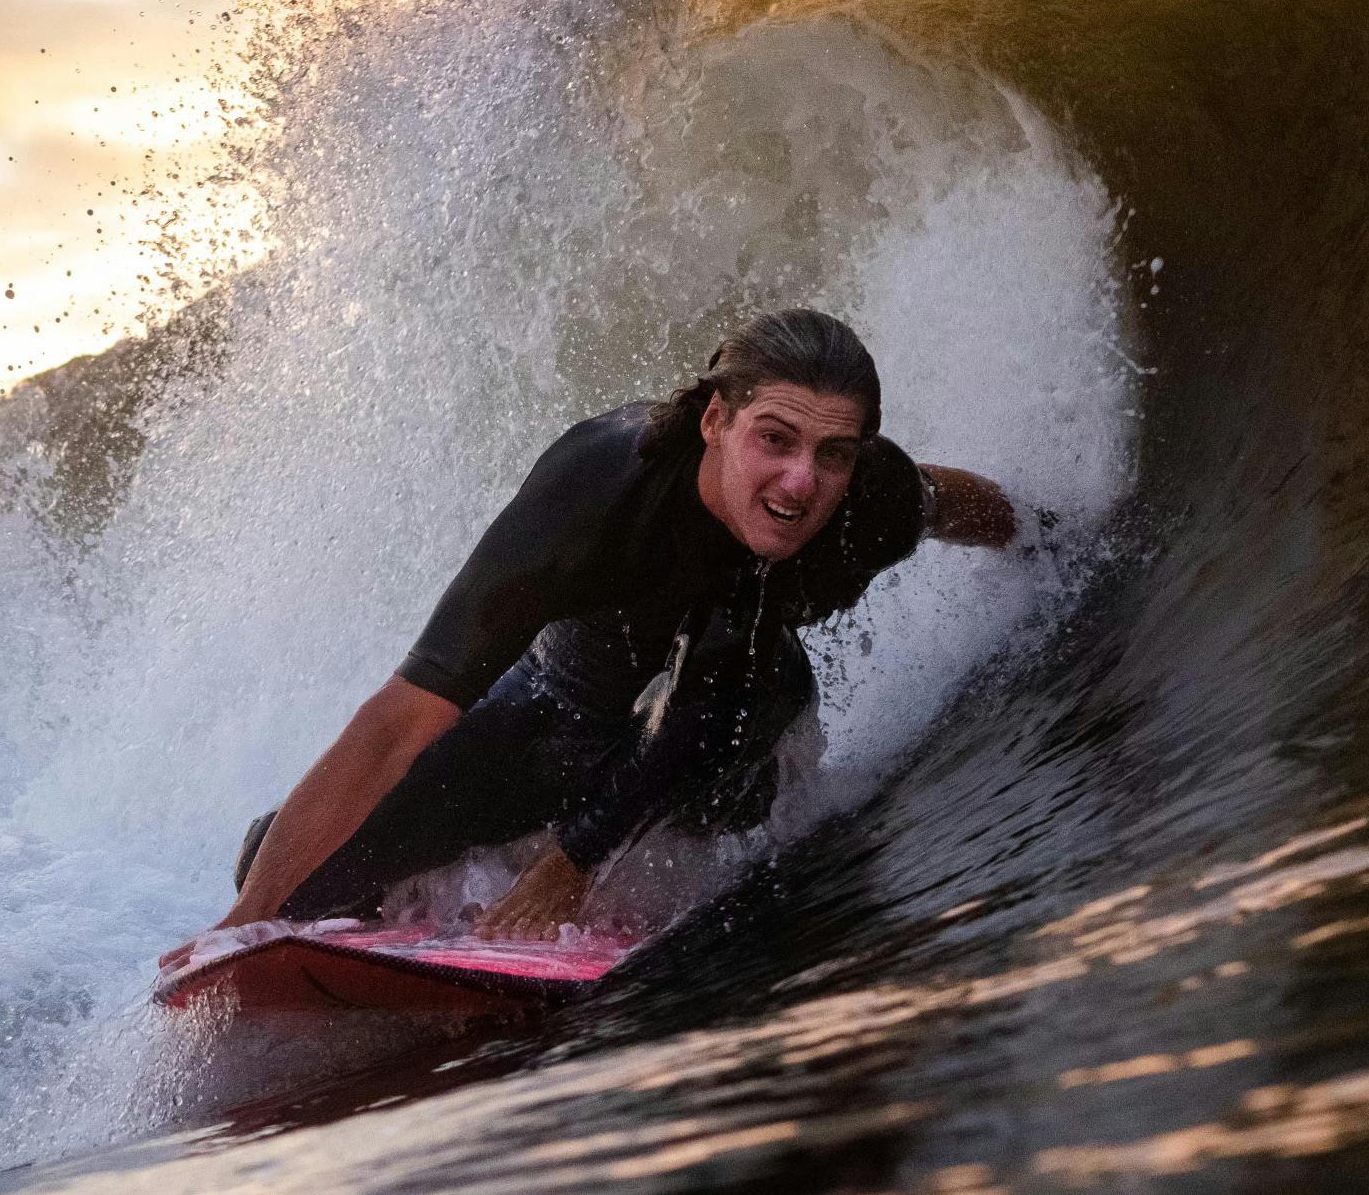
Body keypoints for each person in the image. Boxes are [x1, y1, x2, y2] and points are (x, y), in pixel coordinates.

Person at [163, 308, 1016, 962]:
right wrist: (248, 916)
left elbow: (947, 501)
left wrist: (1043, 537)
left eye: (834, 453)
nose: (802, 480)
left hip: (735, 740)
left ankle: (579, 854)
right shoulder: (598, 488)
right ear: (716, 421)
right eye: (775, 440)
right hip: (563, 715)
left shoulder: (866, 494)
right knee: (284, 869)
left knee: (734, 637)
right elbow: (401, 717)